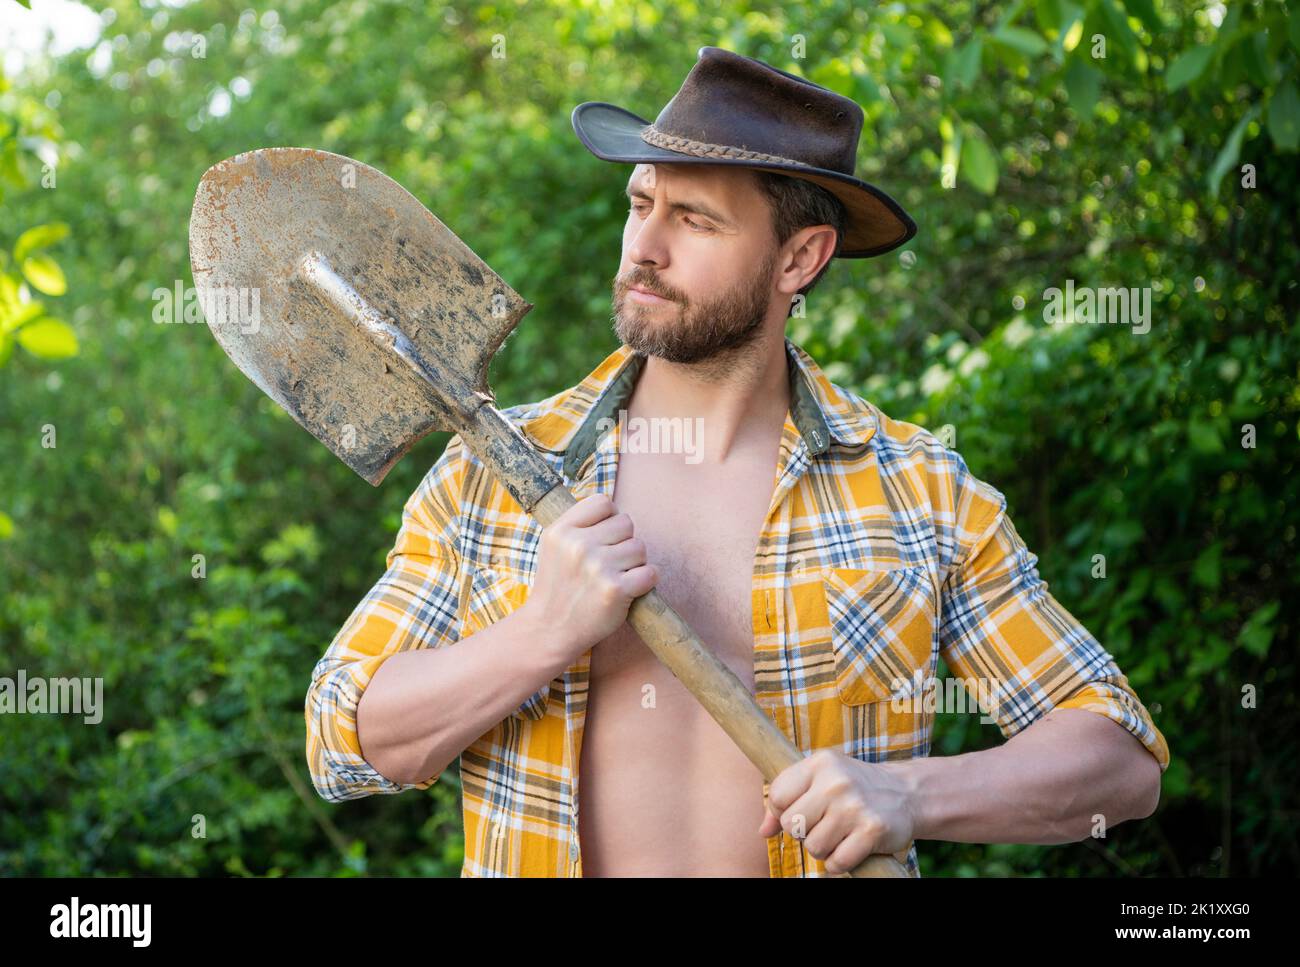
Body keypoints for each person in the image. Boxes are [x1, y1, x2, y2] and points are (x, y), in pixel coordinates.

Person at [305, 46, 1169, 878]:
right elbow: (341, 738)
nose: (644, 246)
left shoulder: (921, 492)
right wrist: (540, 634)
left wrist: (909, 793)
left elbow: (1119, 759)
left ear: (801, 257)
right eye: (642, 203)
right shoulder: (489, 472)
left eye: (694, 219)